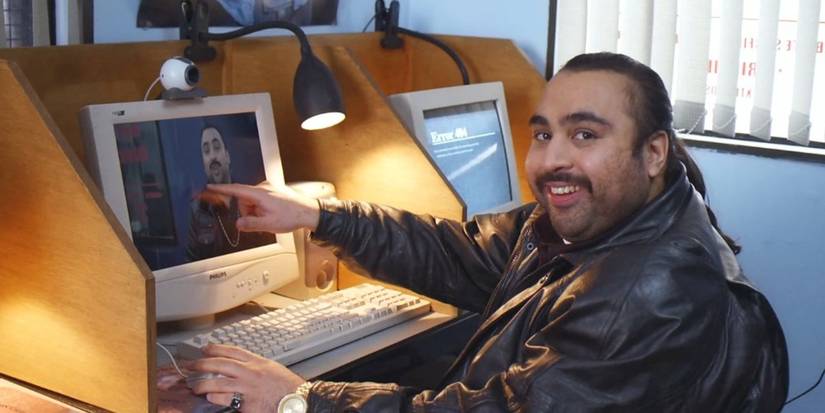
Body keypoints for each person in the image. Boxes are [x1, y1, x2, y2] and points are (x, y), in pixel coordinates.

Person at [176, 53, 789, 412]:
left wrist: (301, 399)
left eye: (585, 134)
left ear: (653, 152)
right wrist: (320, 217)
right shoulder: (599, 222)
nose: (551, 159)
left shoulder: (653, 287)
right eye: (544, 134)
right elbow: (460, 251)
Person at [186, 125, 274, 261]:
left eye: (217, 147)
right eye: (206, 151)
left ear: (227, 156)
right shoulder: (197, 210)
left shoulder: (251, 198)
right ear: (203, 164)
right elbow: (192, 262)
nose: (212, 156)